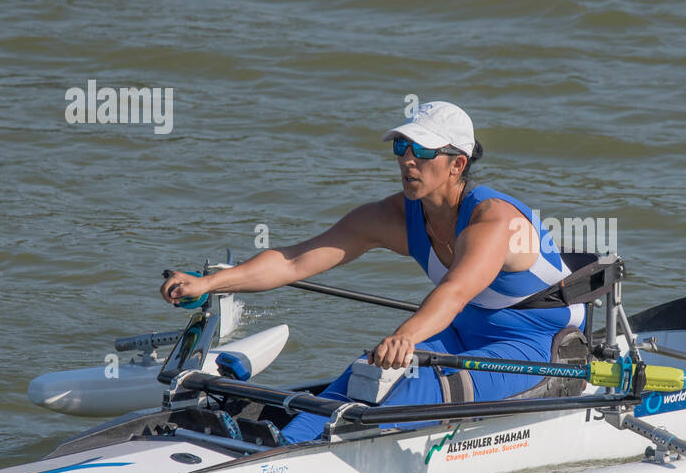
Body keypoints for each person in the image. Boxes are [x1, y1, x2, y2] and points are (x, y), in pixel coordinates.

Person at [159, 101, 585, 442]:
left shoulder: (494, 221)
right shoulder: (394, 216)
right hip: (465, 330)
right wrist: (211, 282)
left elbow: (453, 292)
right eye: (401, 148)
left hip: (537, 345)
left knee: (416, 387)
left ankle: (310, 456)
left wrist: (406, 337)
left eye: (421, 151)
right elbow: (295, 260)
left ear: (457, 165)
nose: (408, 162)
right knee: (364, 374)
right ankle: (283, 444)